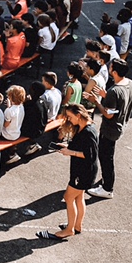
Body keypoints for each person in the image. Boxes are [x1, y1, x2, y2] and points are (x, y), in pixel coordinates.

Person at [38, 103, 98, 241]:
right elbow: (83, 148)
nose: (69, 120)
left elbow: (90, 155)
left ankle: (69, 229)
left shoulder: (88, 132)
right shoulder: (86, 127)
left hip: (82, 172)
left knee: (68, 197)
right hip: (84, 171)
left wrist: (70, 152)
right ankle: (77, 225)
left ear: (78, 115)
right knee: (79, 197)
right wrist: (67, 147)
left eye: (70, 117)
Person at [86, 58, 132, 200]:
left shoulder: (114, 91)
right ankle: (107, 181)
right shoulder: (130, 84)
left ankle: (108, 187)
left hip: (110, 130)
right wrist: (105, 96)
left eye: (111, 66)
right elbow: (119, 105)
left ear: (114, 71)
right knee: (108, 155)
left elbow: (108, 114)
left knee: (105, 157)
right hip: (120, 125)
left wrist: (96, 101)